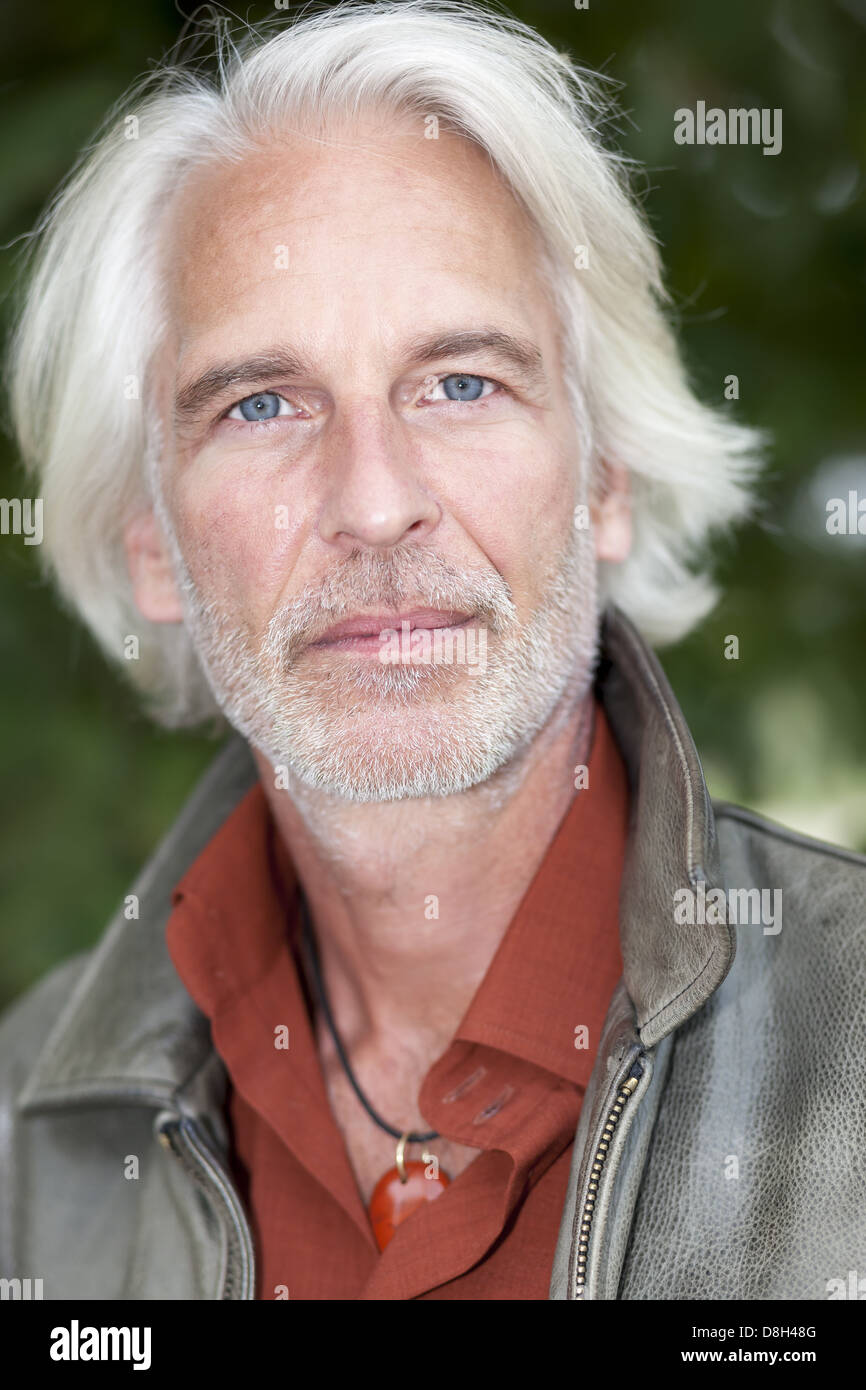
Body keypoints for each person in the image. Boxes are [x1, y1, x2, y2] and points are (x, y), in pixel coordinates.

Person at [1, 0, 863, 1301]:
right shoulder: (26, 1136)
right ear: (148, 541)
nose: (372, 500)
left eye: (460, 382)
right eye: (262, 402)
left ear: (605, 475)